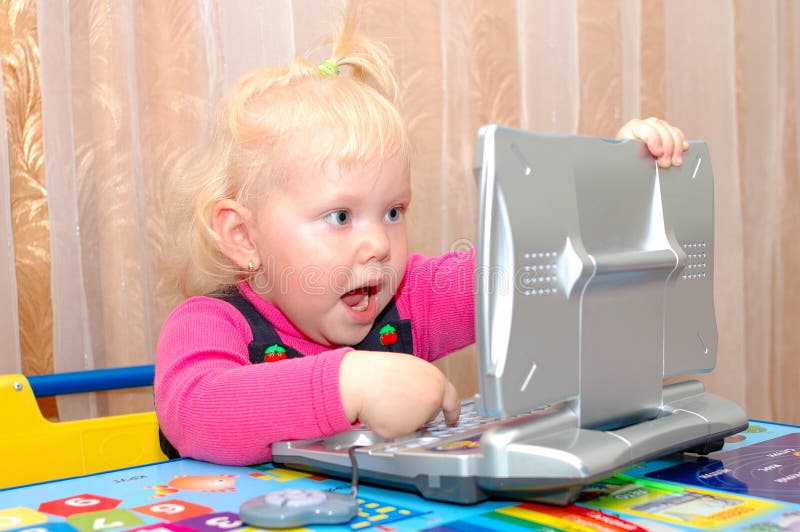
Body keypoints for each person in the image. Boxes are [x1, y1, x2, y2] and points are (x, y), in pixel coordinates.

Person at [154, 13, 689, 466]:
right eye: (340, 216)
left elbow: (527, 272)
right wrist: (352, 382)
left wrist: (615, 189)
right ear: (243, 236)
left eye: (392, 211)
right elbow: (197, 413)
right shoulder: (209, 324)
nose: (379, 245)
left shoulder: (409, 296)